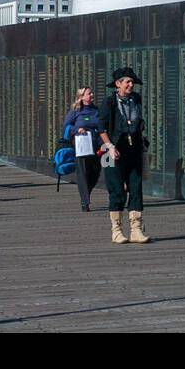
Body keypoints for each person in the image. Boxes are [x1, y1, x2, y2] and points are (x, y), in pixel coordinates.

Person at [97, 67, 150, 244]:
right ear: (118, 84)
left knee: (136, 188)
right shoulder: (108, 103)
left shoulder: (136, 99)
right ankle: (116, 230)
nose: (131, 84)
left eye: (132, 82)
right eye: (127, 81)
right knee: (116, 190)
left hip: (133, 150)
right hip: (112, 152)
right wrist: (110, 146)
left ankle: (136, 229)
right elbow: (101, 129)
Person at [62, 88, 102, 212]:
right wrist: (76, 130)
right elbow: (67, 126)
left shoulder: (97, 111)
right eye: (89, 93)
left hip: (96, 145)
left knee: (95, 172)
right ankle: (85, 201)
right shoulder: (76, 111)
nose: (92, 95)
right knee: (83, 172)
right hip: (82, 145)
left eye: (91, 92)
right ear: (82, 96)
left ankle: (87, 193)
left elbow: (103, 125)